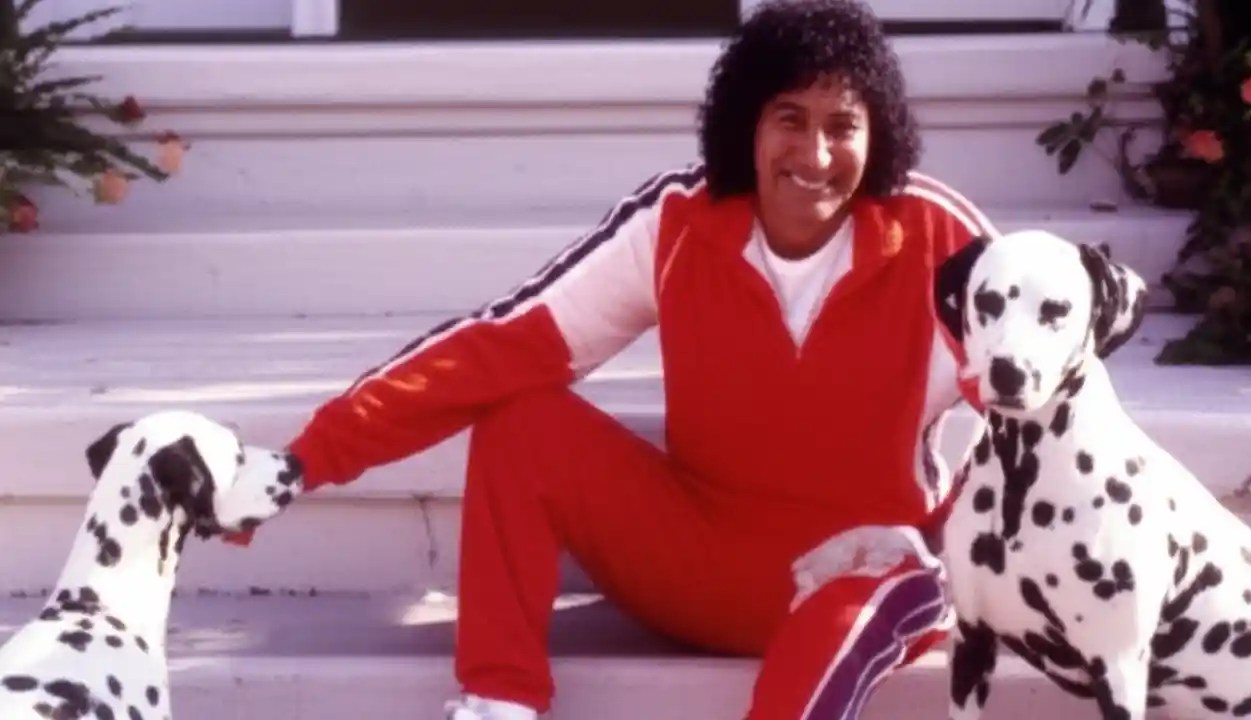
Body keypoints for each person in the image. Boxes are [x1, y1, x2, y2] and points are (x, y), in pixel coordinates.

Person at [229, 0, 998, 717]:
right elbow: (501, 345)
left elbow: (1055, 405)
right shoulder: (677, 225)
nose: (816, 152)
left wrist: (948, 535)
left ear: (880, 134)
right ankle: (500, 699)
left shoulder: (937, 238)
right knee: (523, 419)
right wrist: (306, 460)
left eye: (843, 125)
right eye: (788, 119)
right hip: (699, 563)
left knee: (842, 628)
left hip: (863, 573)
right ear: (747, 127)